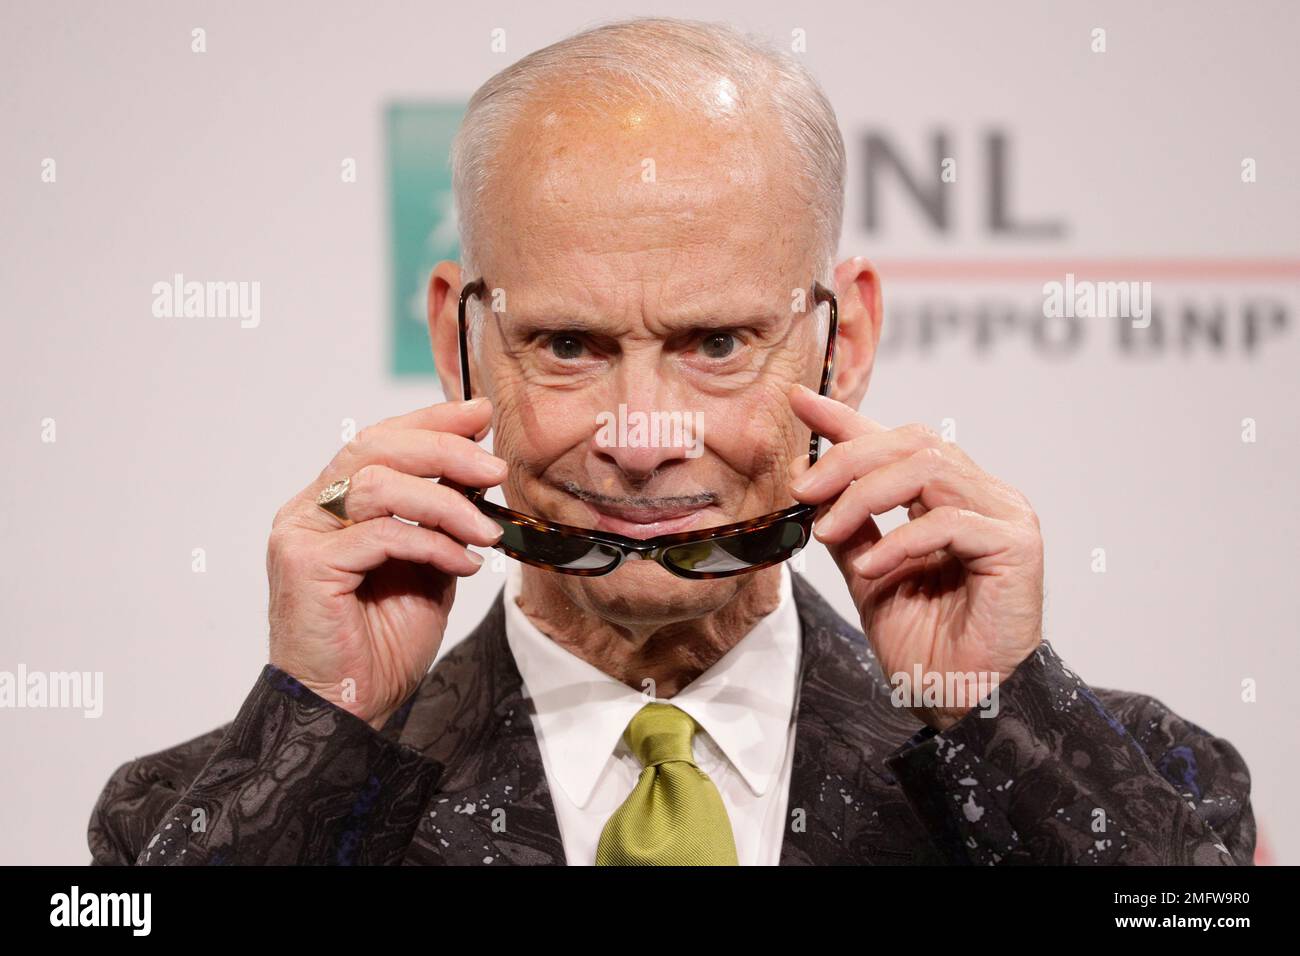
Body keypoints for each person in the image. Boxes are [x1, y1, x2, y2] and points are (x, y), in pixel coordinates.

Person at [89, 17, 1253, 866]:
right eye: (568, 345)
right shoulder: (178, 820)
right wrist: (322, 739)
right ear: (461, 338)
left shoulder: (1162, 789)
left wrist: (1002, 721)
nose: (640, 436)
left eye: (714, 340)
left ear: (841, 343)